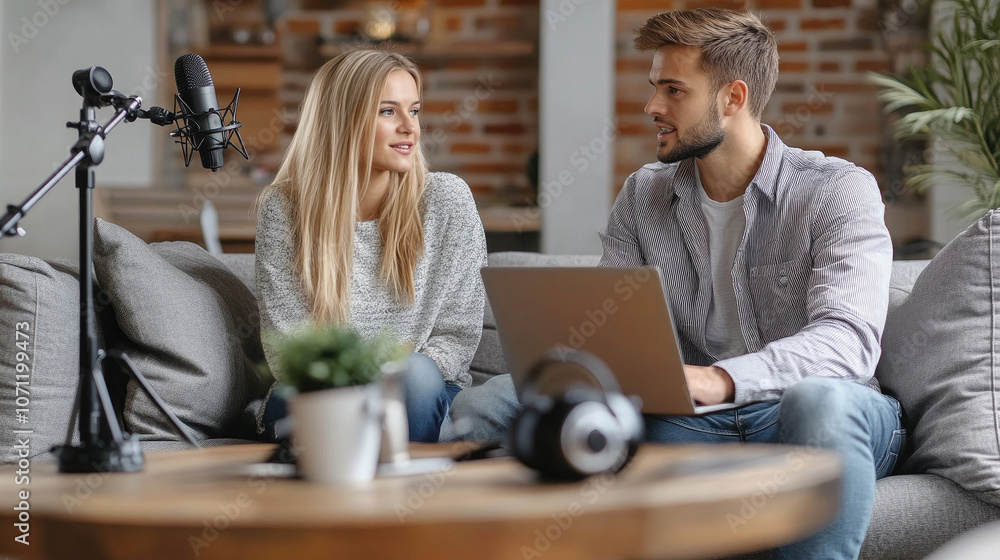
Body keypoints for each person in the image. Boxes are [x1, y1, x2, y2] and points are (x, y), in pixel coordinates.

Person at [450, 9, 903, 559]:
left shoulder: (837, 190)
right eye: (653, 87)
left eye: (673, 90)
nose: (651, 107)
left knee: (820, 401)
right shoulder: (644, 197)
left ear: (733, 97)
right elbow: (609, 337)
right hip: (691, 423)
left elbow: (847, 342)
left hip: (806, 416)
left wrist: (721, 379)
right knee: (498, 399)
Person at [255, 49, 487, 443]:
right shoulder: (284, 209)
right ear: (343, 121)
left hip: (422, 391)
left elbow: (457, 336)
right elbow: (288, 348)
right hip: (321, 391)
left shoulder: (447, 199)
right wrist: (357, 388)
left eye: (413, 111)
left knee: (414, 378)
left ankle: (401, 499)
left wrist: (390, 381)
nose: (410, 128)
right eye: (388, 112)